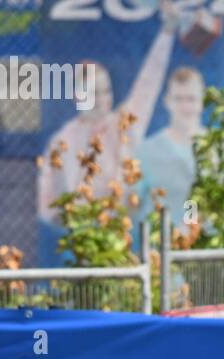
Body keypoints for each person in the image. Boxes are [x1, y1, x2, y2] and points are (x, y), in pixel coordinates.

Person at [38, 0, 178, 221]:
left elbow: (149, 80)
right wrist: (80, 216)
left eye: (106, 91)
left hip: (129, 232)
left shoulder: (124, 122)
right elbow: (49, 210)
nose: (103, 100)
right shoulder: (62, 142)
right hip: (85, 238)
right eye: (94, 93)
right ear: (78, 95)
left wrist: (168, 31)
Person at [134, 67, 206, 233]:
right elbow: (132, 206)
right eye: (179, 99)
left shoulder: (221, 149)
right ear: (167, 101)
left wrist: (194, 227)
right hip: (160, 252)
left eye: (191, 99)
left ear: (202, 101)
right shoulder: (146, 152)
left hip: (210, 252)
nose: (185, 106)